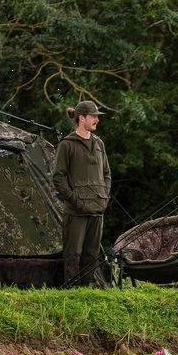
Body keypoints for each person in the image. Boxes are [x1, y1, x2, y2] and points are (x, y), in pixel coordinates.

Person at [53, 100, 111, 288]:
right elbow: (58, 177)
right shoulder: (67, 145)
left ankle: (88, 290)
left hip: (97, 209)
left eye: (96, 117)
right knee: (73, 253)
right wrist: (74, 199)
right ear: (81, 118)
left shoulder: (99, 143)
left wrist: (105, 197)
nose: (96, 120)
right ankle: (71, 291)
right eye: (93, 117)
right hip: (76, 211)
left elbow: (107, 174)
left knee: (92, 254)